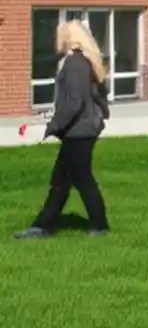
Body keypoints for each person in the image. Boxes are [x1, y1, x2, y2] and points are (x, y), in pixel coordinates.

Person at [14, 20, 111, 240]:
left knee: (81, 178)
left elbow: (74, 102)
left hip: (79, 132)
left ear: (67, 37)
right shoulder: (84, 61)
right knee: (61, 181)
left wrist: (53, 126)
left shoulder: (75, 63)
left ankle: (99, 226)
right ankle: (43, 226)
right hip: (80, 130)